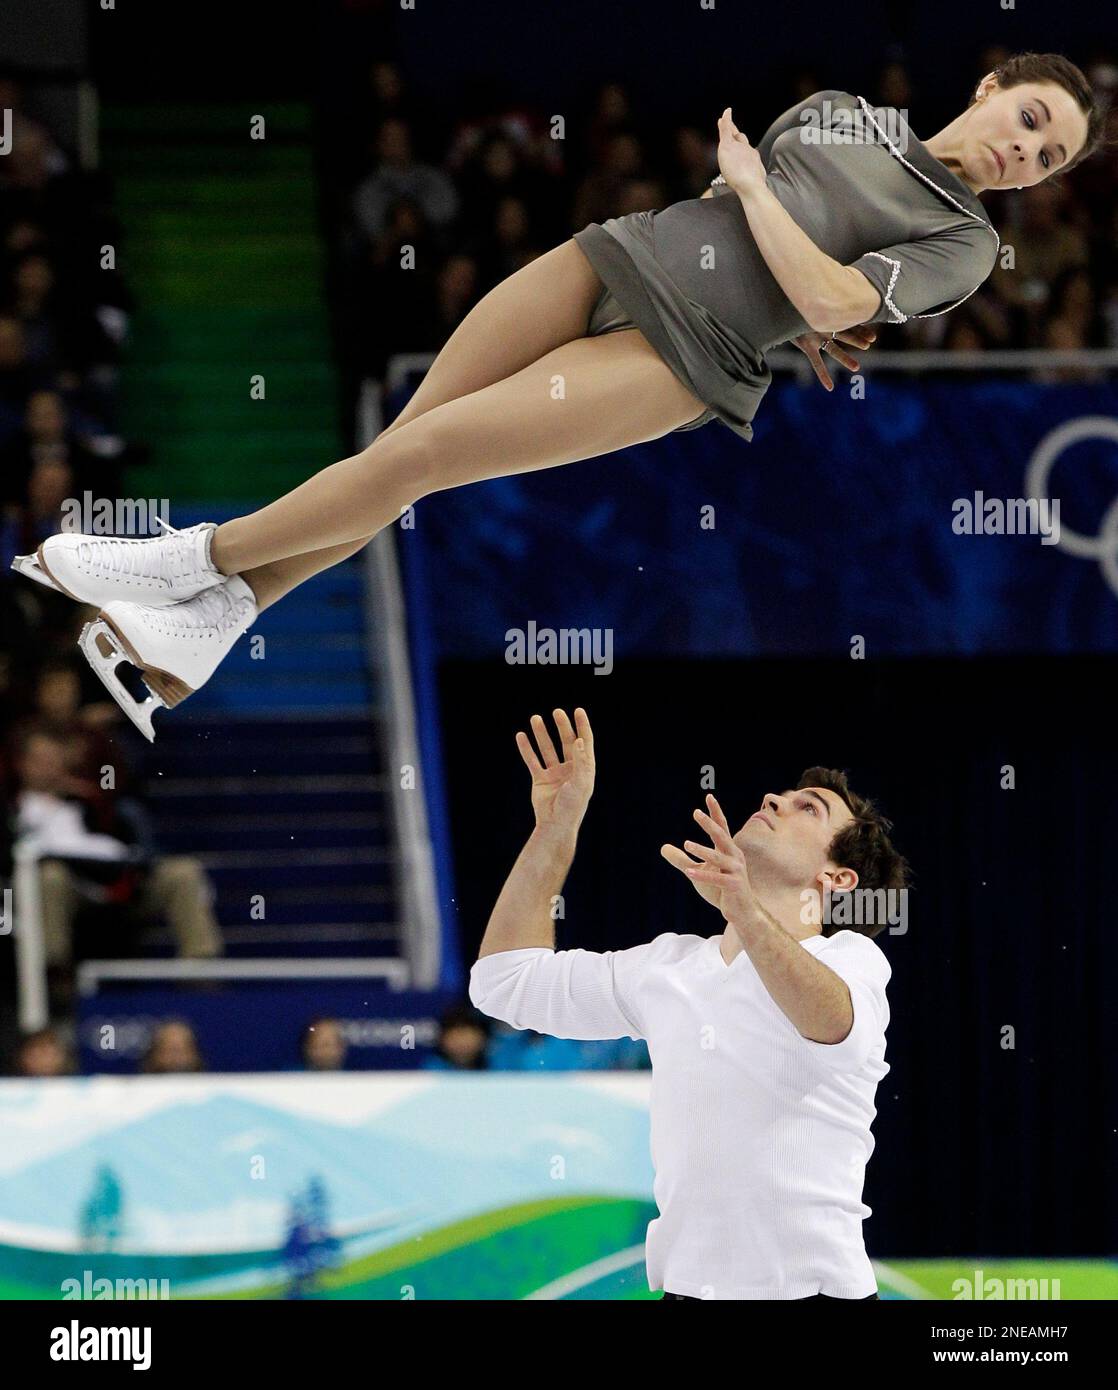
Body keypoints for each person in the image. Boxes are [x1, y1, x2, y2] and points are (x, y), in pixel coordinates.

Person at [13, 55, 1104, 740]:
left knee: (417, 462)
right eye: (1027, 117)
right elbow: (764, 221)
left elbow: (816, 277)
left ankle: (190, 559)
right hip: (614, 255)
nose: (1024, 151)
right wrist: (788, 245)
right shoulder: (846, 109)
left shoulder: (963, 243)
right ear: (988, 85)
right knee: (393, 454)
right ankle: (205, 636)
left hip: (682, 354)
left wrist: (786, 235)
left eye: (1047, 155)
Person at [469, 708, 910, 1300]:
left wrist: (743, 909)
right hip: (686, 1291)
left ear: (839, 880)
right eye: (782, 794)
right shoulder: (668, 966)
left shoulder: (852, 960)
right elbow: (503, 981)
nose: (776, 800)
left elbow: (828, 1019)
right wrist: (555, 829)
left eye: (809, 807)